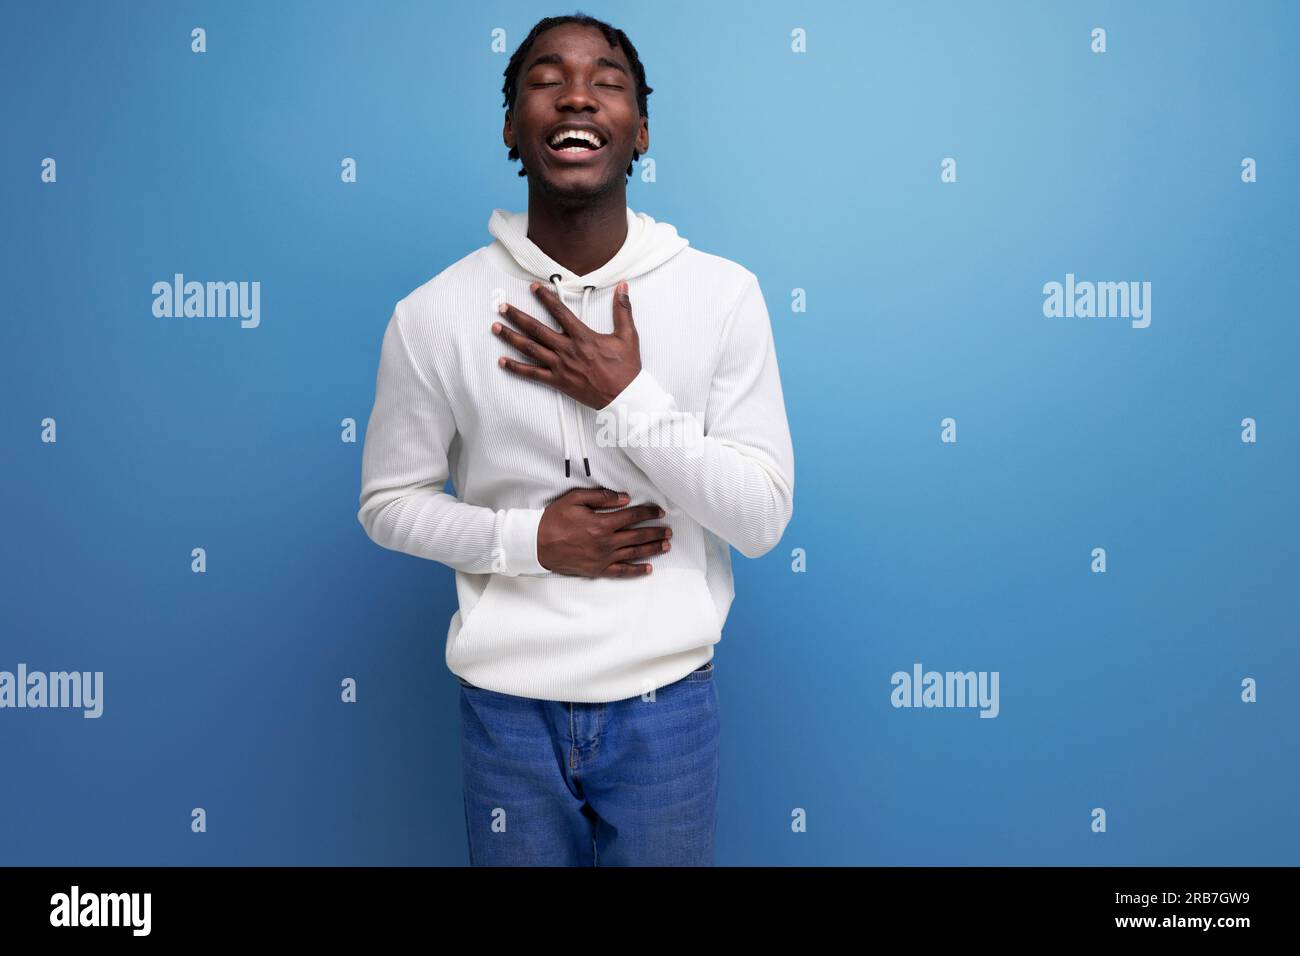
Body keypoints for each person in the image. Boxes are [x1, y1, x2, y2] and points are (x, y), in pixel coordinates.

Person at [356, 13, 794, 866]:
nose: (578, 94)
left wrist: (626, 395)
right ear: (513, 126)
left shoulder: (725, 295)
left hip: (666, 703)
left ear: (641, 129)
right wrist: (529, 540)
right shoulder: (433, 314)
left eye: (609, 80)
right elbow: (386, 504)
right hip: (506, 708)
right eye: (546, 78)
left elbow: (762, 518)